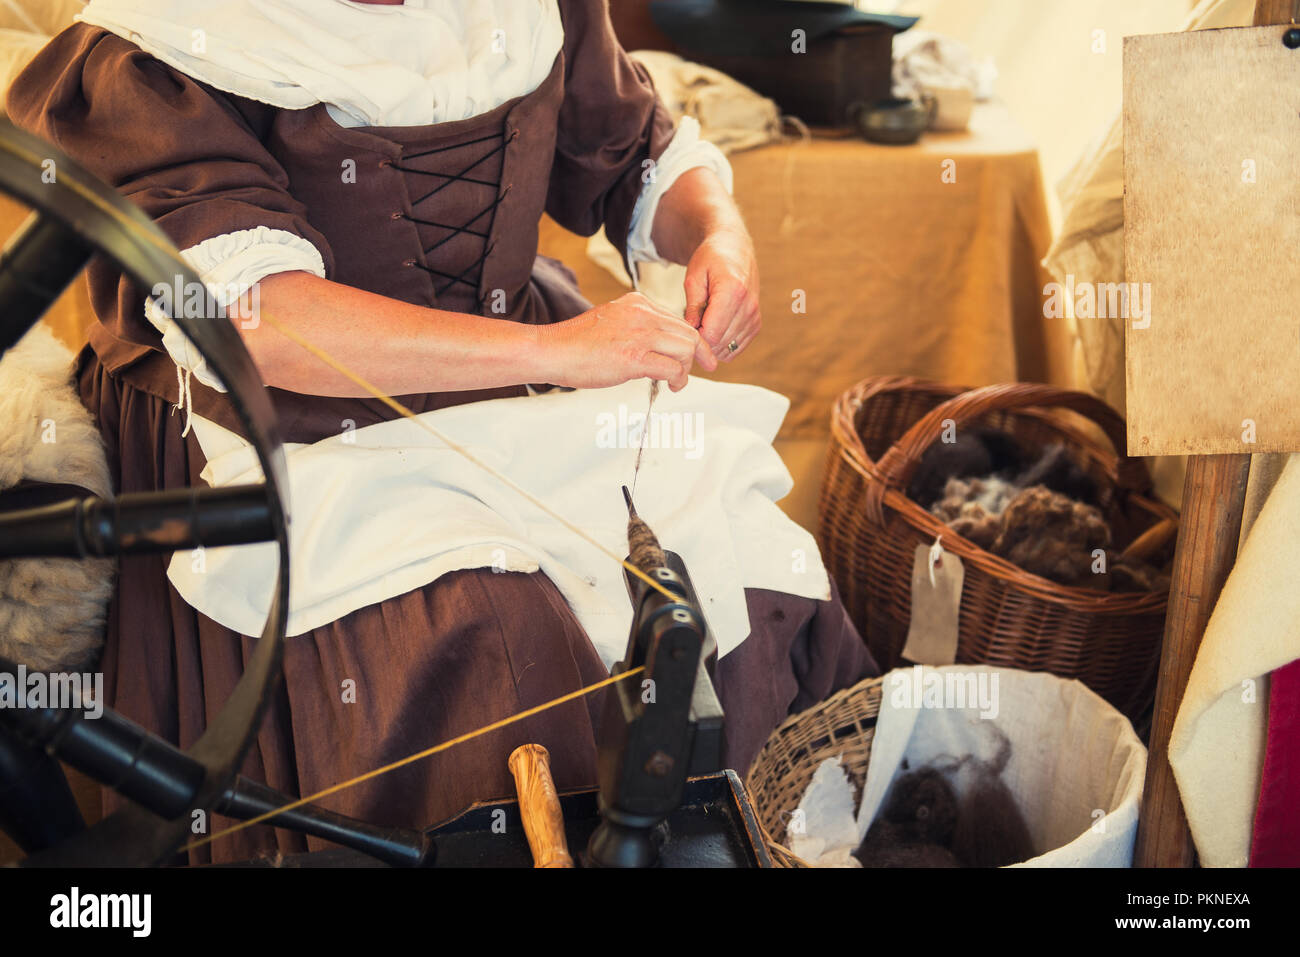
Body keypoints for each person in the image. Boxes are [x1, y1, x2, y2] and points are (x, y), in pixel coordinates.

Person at [8, 0, 874, 863]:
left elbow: (634, 155)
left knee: (748, 576)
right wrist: (557, 351)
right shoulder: (165, 43)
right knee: (497, 641)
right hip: (284, 421)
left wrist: (719, 234)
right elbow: (257, 318)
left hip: (524, 367)